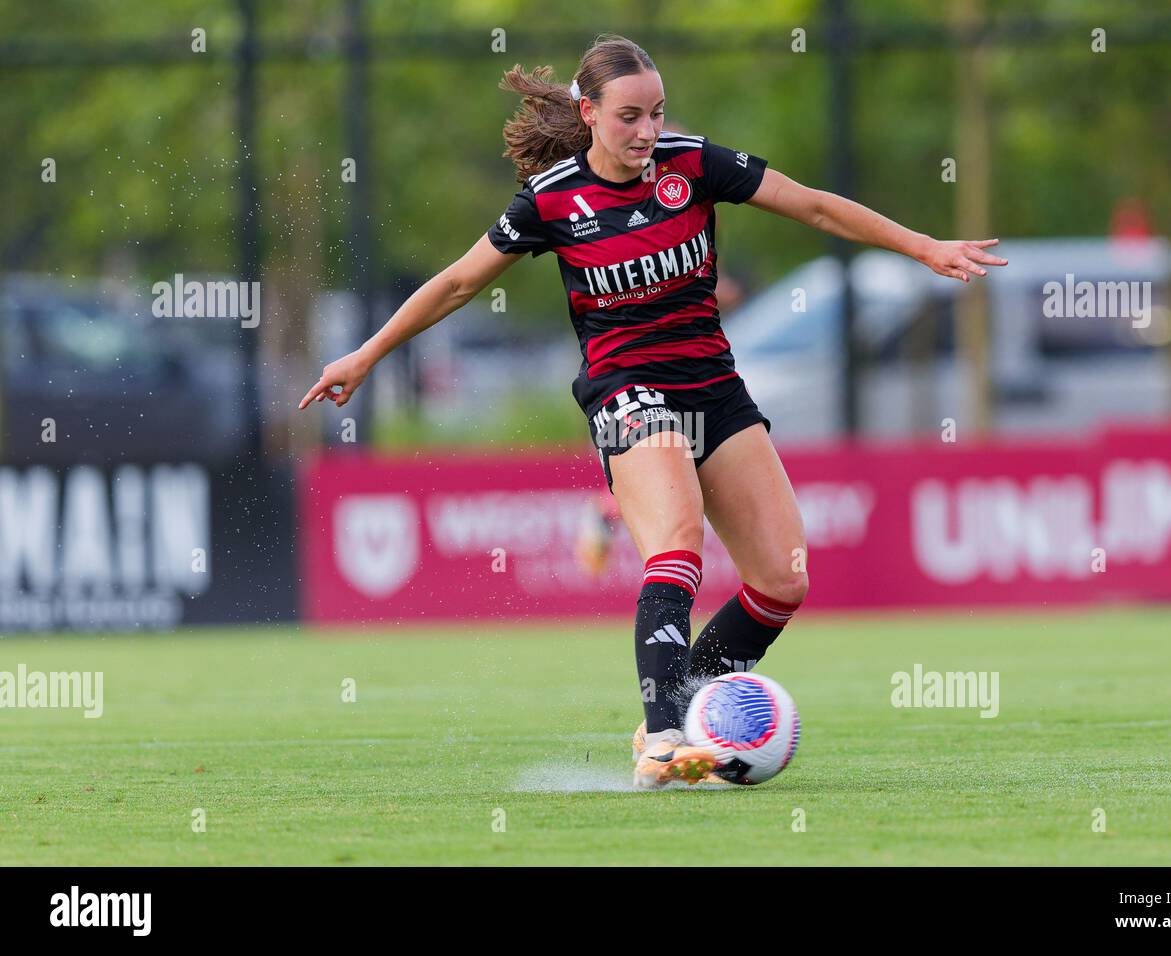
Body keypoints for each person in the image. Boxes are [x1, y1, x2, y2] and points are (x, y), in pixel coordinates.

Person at [298, 33, 1007, 789]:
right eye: (630, 116)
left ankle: (679, 705)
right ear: (589, 112)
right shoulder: (551, 200)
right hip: (627, 389)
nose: (646, 133)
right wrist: (366, 354)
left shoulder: (694, 163)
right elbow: (456, 285)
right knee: (677, 536)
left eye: (657, 114)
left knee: (781, 579)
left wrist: (922, 245)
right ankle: (665, 738)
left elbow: (815, 207)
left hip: (713, 387)